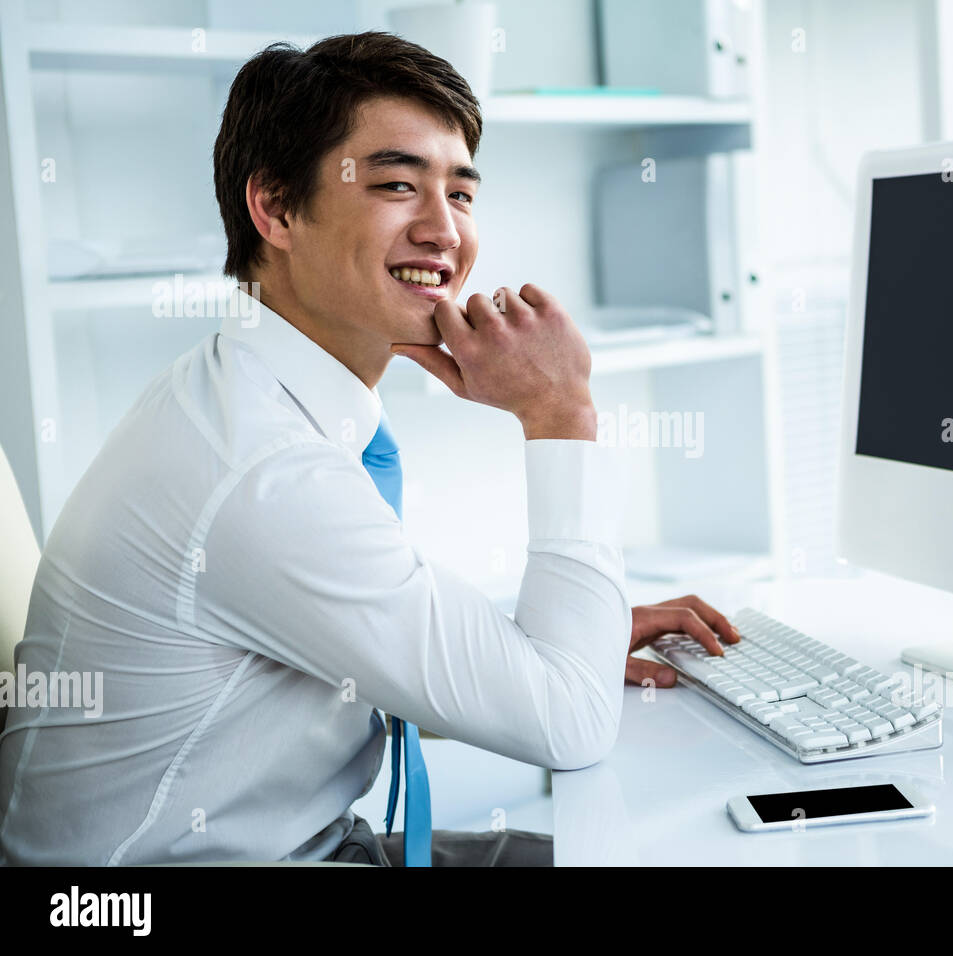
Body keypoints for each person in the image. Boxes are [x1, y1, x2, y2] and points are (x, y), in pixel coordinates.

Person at [0, 32, 738, 867]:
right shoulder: (261, 470)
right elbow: (566, 727)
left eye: (460, 195)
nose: (443, 232)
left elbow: (340, 638)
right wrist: (559, 409)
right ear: (275, 209)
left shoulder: (244, 394)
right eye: (395, 185)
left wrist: (551, 646)